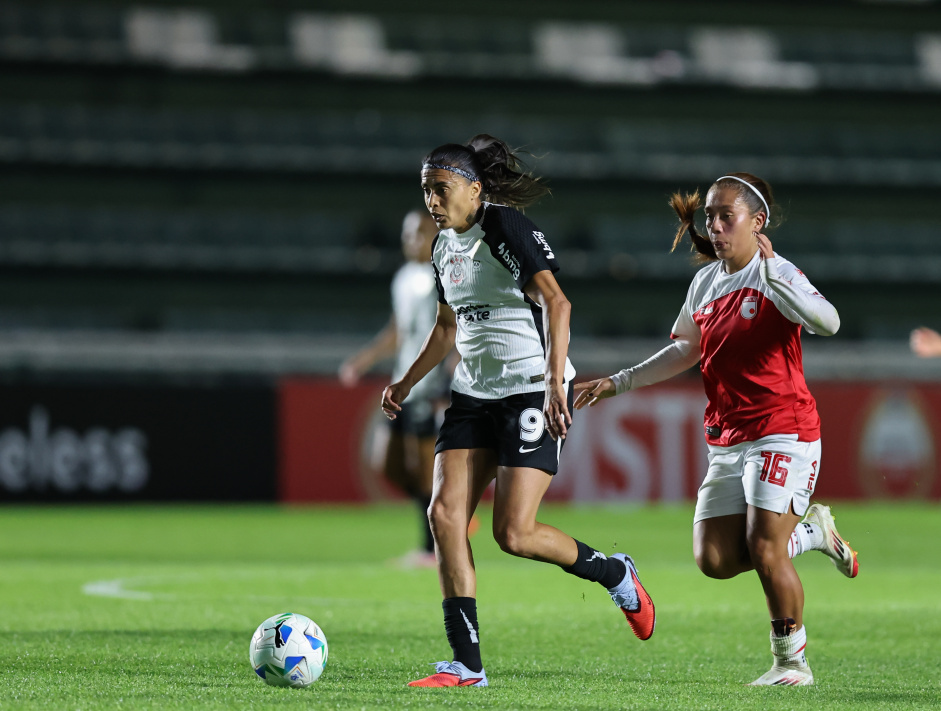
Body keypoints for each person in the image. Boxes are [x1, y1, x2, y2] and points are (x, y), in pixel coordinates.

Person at [381, 135, 656, 689]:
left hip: (530, 387)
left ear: (474, 188)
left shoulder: (503, 227)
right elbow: (447, 327)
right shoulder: (441, 246)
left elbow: (558, 303)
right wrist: (407, 381)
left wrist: (555, 382)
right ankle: (467, 665)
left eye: (442, 189)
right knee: (444, 515)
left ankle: (614, 572)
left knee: (514, 533)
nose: (432, 201)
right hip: (473, 392)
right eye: (426, 191)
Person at [574, 173, 858, 687]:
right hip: (727, 435)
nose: (716, 225)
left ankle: (791, 663)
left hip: (782, 428)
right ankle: (812, 532)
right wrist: (620, 381)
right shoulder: (705, 282)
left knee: (767, 549)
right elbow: (688, 348)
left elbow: (830, 322)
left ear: (758, 221)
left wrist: (773, 275)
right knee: (715, 558)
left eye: (728, 215)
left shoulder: (777, 271)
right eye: (711, 214)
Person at [339, 210, 447, 568]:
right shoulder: (403, 278)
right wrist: (363, 360)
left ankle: (431, 549)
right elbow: (397, 332)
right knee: (387, 464)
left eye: (418, 232)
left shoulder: (443, 272)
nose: (410, 240)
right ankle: (445, 516)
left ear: (433, 232)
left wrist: (452, 378)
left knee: (421, 468)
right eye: (406, 234)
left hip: (430, 383)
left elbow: (453, 329)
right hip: (404, 381)